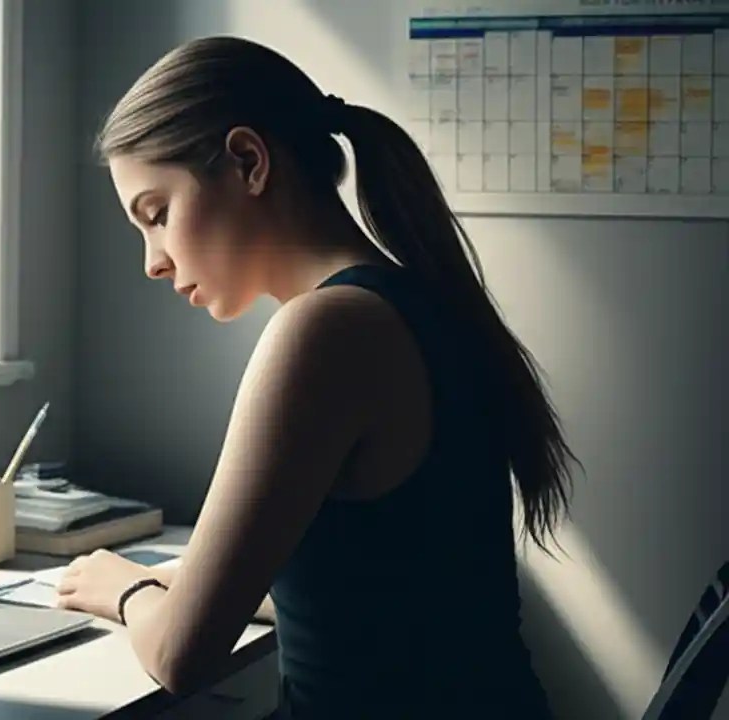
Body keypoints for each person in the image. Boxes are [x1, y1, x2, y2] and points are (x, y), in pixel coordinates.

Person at [52, 35, 578, 718]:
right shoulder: (411, 303)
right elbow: (375, 591)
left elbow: (181, 657)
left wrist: (123, 588)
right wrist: (183, 583)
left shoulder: (324, 336)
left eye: (157, 215)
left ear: (248, 161)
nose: (153, 260)